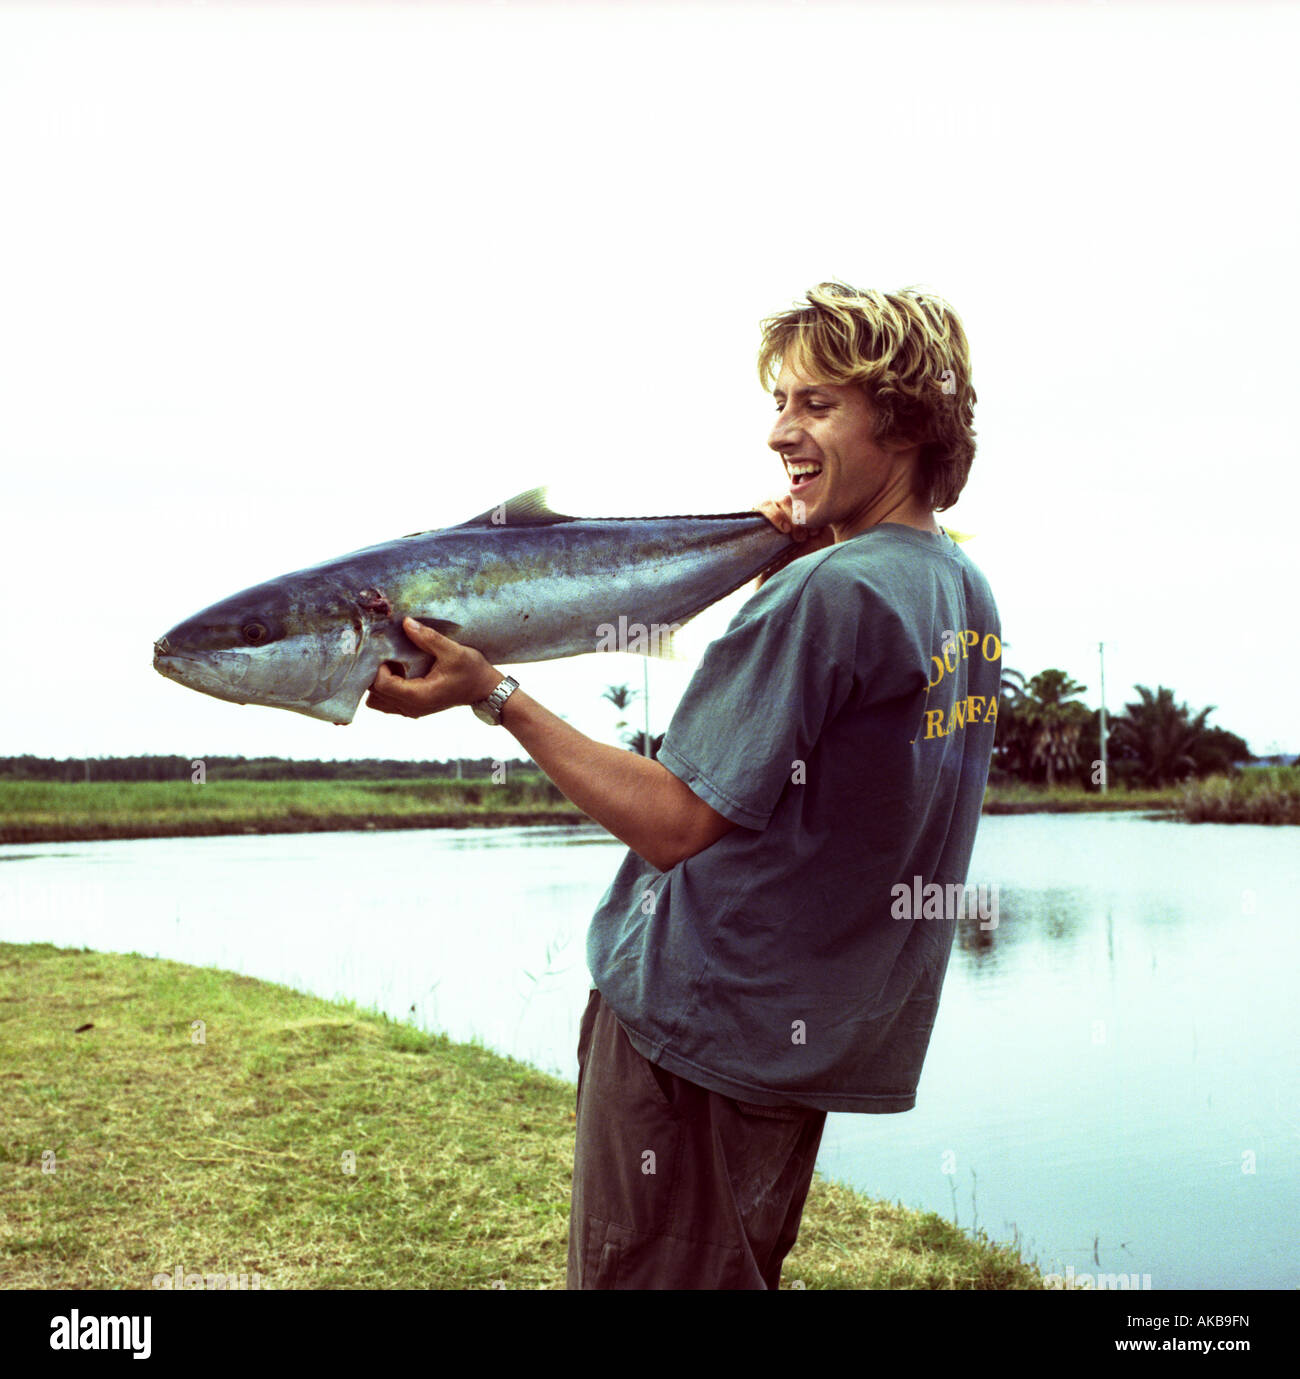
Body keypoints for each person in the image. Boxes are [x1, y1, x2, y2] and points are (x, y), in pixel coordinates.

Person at [365, 281, 1001, 1290]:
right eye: (780, 401)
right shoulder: (954, 585)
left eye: (815, 404)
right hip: (795, 1042)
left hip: (699, 1036)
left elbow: (674, 819)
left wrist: (493, 694)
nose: (779, 432)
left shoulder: (829, 591)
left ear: (904, 417)